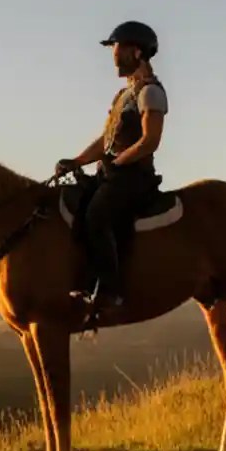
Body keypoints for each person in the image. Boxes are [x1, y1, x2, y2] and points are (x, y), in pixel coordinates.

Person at [56, 20, 168, 309]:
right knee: (78, 204)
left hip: (133, 178)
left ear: (136, 52)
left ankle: (109, 290)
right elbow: (106, 140)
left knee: (97, 215)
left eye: (116, 48)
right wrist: (77, 161)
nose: (113, 55)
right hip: (114, 173)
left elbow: (150, 141)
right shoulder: (124, 95)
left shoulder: (150, 92)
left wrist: (118, 162)